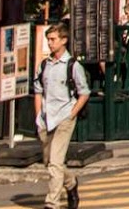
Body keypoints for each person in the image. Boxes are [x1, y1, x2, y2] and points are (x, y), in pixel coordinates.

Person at [33, 21, 88, 209]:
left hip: (64, 117)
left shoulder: (73, 65)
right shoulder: (44, 65)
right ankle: (71, 183)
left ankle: (52, 203)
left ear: (63, 40)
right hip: (47, 118)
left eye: (53, 39)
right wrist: (38, 114)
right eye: (48, 39)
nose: (50, 43)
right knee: (50, 162)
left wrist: (72, 114)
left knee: (55, 163)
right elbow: (38, 90)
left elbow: (84, 92)